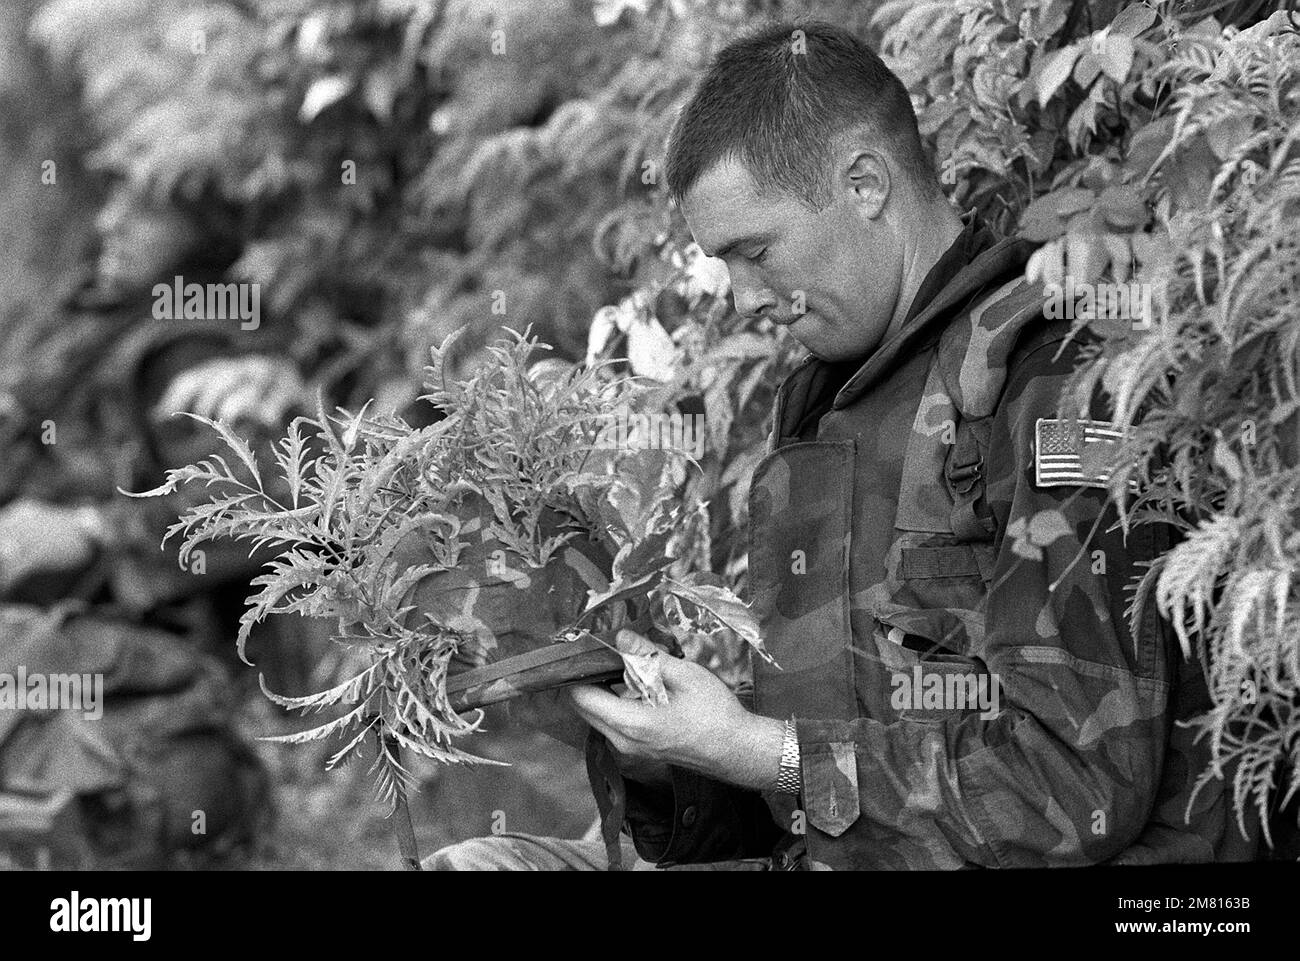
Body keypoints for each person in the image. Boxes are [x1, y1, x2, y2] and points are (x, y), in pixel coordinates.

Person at [426, 20, 1260, 870]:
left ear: (865, 182)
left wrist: (758, 749)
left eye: (755, 252)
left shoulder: (1053, 379)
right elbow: (811, 805)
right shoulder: (827, 409)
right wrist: (672, 757)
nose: (745, 297)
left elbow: (1075, 789)